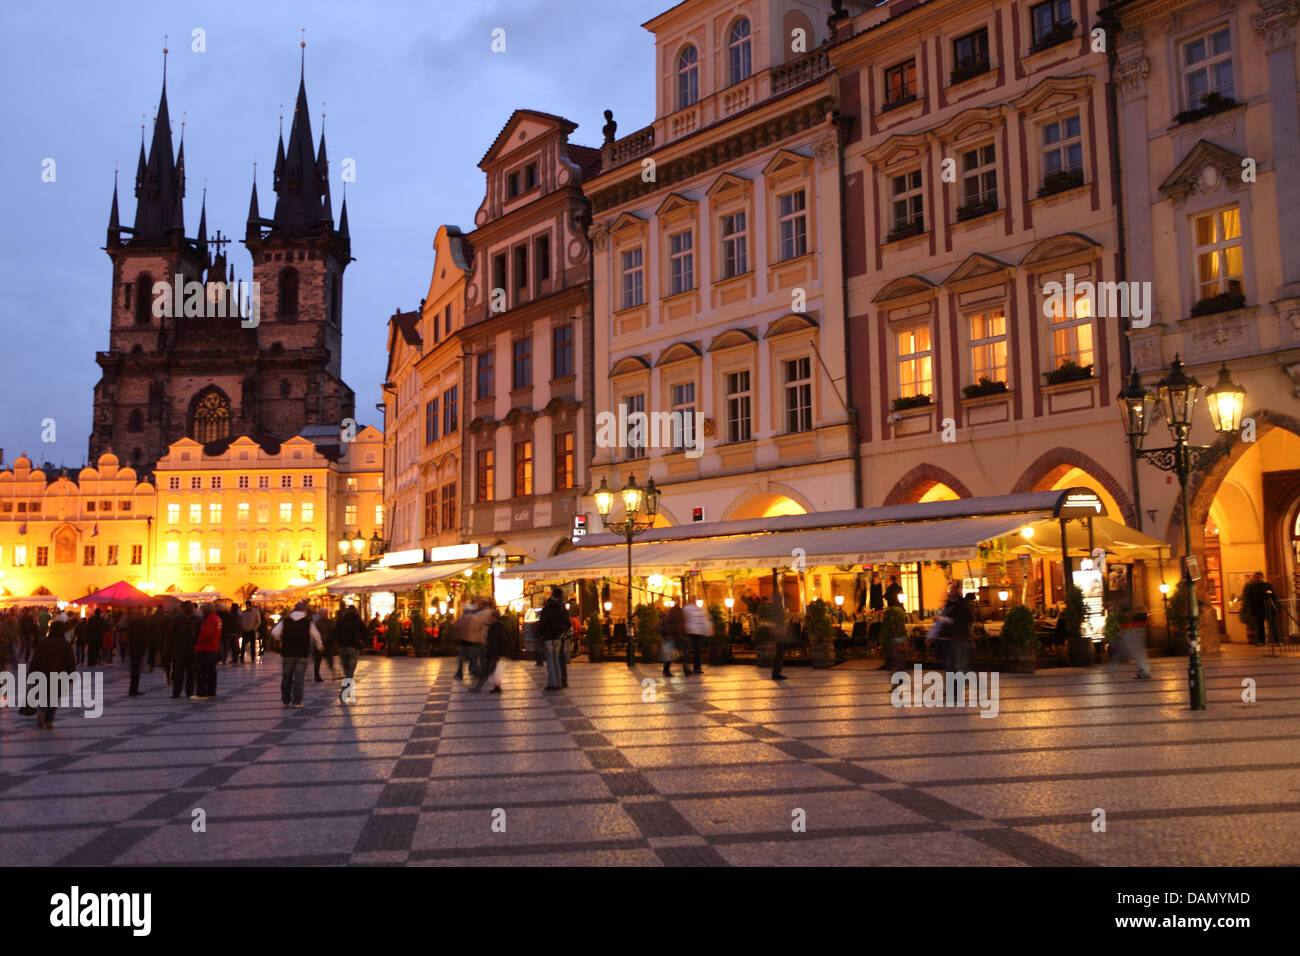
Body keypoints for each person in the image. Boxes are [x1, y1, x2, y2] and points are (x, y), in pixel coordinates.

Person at [272, 601, 322, 708]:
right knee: (299, 677)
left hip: (288, 653)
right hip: (302, 653)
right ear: (304, 610)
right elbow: (315, 635)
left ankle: (286, 700)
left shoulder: (285, 621)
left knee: (286, 676)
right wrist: (319, 645)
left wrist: (281, 639)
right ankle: (297, 701)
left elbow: (274, 632)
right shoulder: (307, 622)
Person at [29, 620, 76, 730]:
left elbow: (35, 661)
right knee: (54, 699)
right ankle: (49, 721)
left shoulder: (42, 643)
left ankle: (41, 711)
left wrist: (31, 675)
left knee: (43, 696)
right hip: (59, 676)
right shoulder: (66, 645)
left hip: (41, 674)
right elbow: (70, 663)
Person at [537, 588, 570, 691]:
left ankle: (552, 684)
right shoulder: (560, 609)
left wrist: (542, 634)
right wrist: (562, 631)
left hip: (548, 638)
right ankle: (559, 682)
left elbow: (541, 625)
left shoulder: (546, 610)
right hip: (558, 638)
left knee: (550, 661)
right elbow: (568, 623)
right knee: (557, 661)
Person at [334, 606, 367, 702]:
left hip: (342, 649)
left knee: (346, 671)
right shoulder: (358, 621)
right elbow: (366, 632)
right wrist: (362, 642)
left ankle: (345, 692)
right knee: (349, 672)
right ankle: (344, 693)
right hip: (353, 649)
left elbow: (334, 633)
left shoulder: (341, 621)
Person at [1241, 572, 1281, 646]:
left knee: (1272, 624)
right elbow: (1250, 600)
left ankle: (1277, 640)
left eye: (1258, 577)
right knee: (1260, 626)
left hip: (1268, 608)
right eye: (1256, 577)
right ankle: (1261, 641)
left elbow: (1273, 596)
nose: (1257, 579)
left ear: (1261, 578)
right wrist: (1251, 610)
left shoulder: (1267, 586)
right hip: (1258, 609)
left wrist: (1276, 607)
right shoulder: (1252, 588)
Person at [169, 602, 200, 698]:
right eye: (188, 607)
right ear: (183, 608)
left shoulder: (197, 619)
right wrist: (176, 645)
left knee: (191, 673)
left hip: (192, 649)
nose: (190, 609)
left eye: (191, 607)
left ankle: (189, 692)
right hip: (180, 650)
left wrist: (196, 645)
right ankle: (176, 692)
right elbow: (172, 634)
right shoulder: (177, 619)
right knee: (178, 673)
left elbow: (199, 634)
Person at [475, 600, 506, 693]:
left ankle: (478, 687)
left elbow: (502, 641)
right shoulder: (494, 627)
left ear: (496, 618)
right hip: (492, 651)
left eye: (492, 617)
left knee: (487, 671)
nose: (490, 618)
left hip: (494, 652)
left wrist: (503, 653)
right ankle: (497, 687)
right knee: (491, 670)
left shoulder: (497, 628)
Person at [194, 604, 222, 700]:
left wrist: (198, 640)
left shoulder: (210, 619)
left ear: (206, 610)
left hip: (205, 648)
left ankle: (201, 693)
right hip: (213, 648)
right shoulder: (217, 618)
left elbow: (207, 634)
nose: (201, 612)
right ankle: (211, 691)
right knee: (211, 672)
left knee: (202, 672)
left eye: (202, 610)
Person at [762, 594, 792, 680]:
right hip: (777, 632)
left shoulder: (777, 608)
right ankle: (776, 672)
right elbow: (772, 621)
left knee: (780, 652)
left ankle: (777, 671)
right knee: (779, 652)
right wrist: (774, 630)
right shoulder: (775, 609)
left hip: (779, 632)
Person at [660, 601, 689, 678]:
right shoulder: (677, 612)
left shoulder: (672, 612)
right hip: (675, 635)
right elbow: (679, 624)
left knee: (671, 654)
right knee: (683, 652)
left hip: (673, 635)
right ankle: (685, 668)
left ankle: (666, 670)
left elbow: (668, 623)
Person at [683, 601, 711, 676]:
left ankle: (697, 667)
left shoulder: (701, 609)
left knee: (697, 650)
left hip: (698, 632)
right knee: (690, 650)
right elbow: (684, 619)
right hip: (690, 632)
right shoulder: (687, 609)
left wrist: (707, 630)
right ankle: (690, 667)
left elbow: (704, 620)